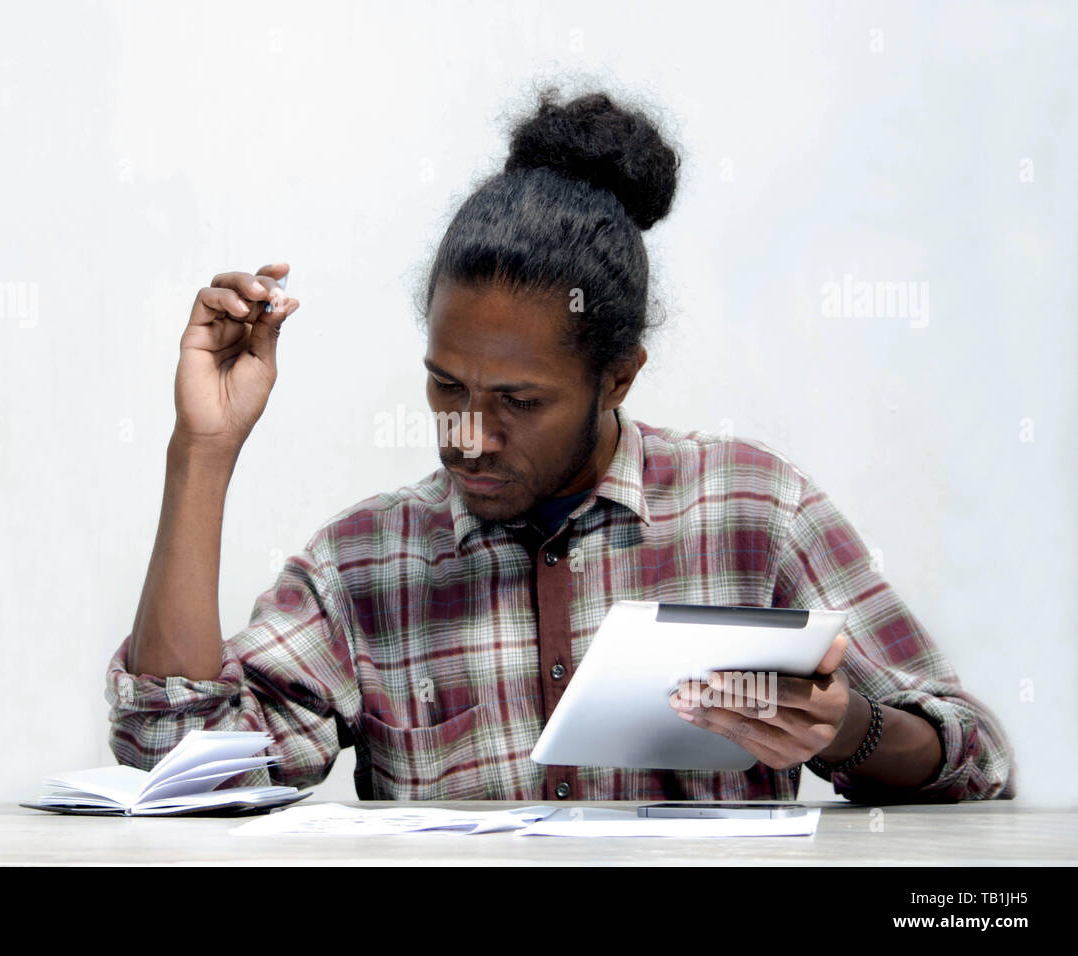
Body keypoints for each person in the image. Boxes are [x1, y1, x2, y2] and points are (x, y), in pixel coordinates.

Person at [105, 86, 1016, 803]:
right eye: (446, 386)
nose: (469, 433)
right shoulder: (366, 564)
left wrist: (848, 728)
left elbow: (974, 757)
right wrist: (204, 448)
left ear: (617, 377)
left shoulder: (751, 513)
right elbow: (171, 757)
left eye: (517, 401)